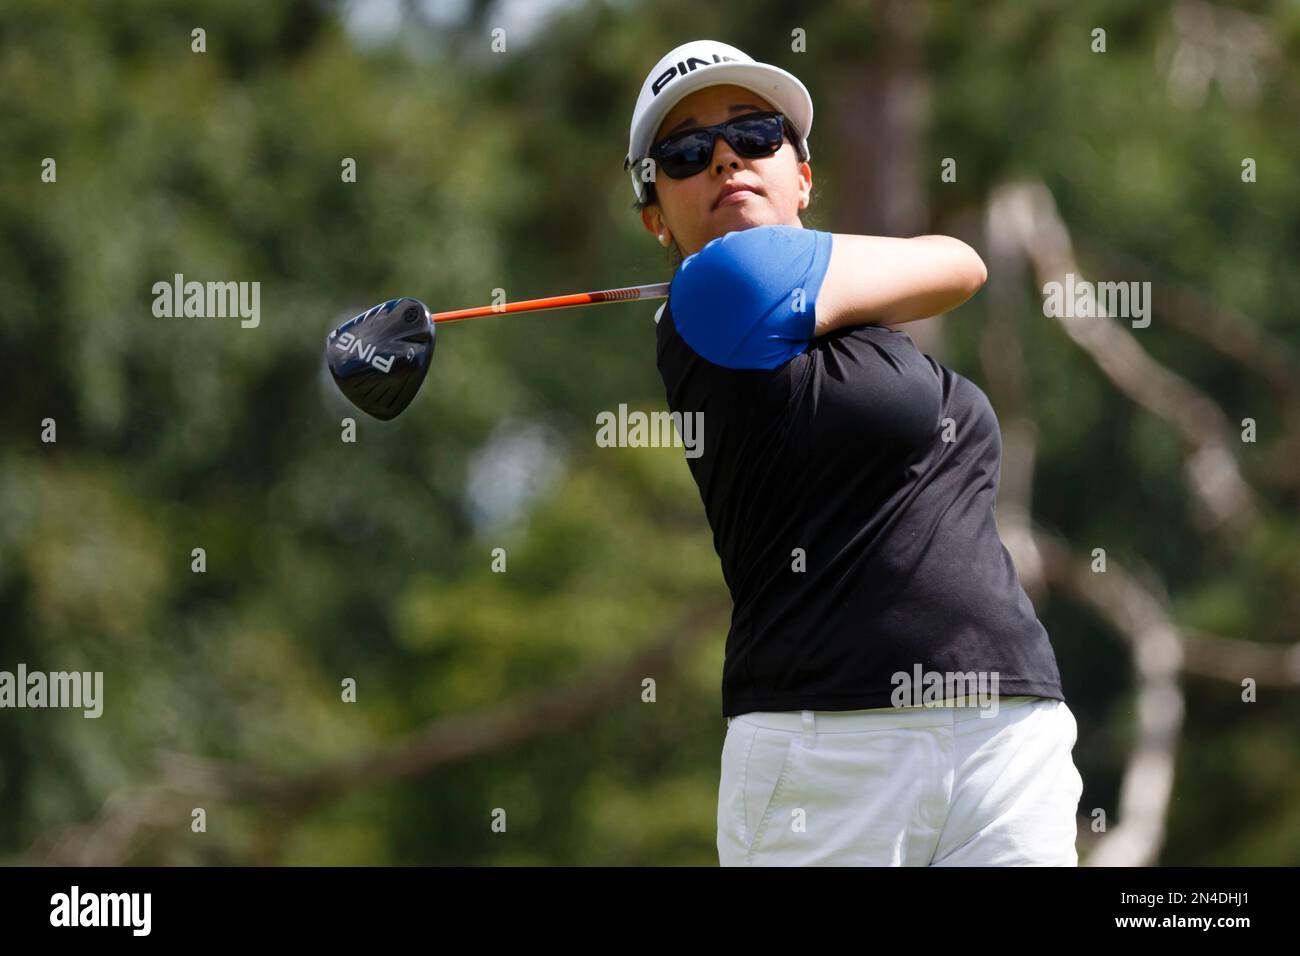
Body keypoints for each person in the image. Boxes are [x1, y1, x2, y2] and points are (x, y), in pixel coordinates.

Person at [623, 40, 1084, 866]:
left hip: (1007, 728)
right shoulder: (719, 292)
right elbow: (959, 262)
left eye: (757, 134)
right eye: (686, 152)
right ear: (655, 214)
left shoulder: (863, 331)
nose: (726, 156)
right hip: (829, 756)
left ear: (803, 175)